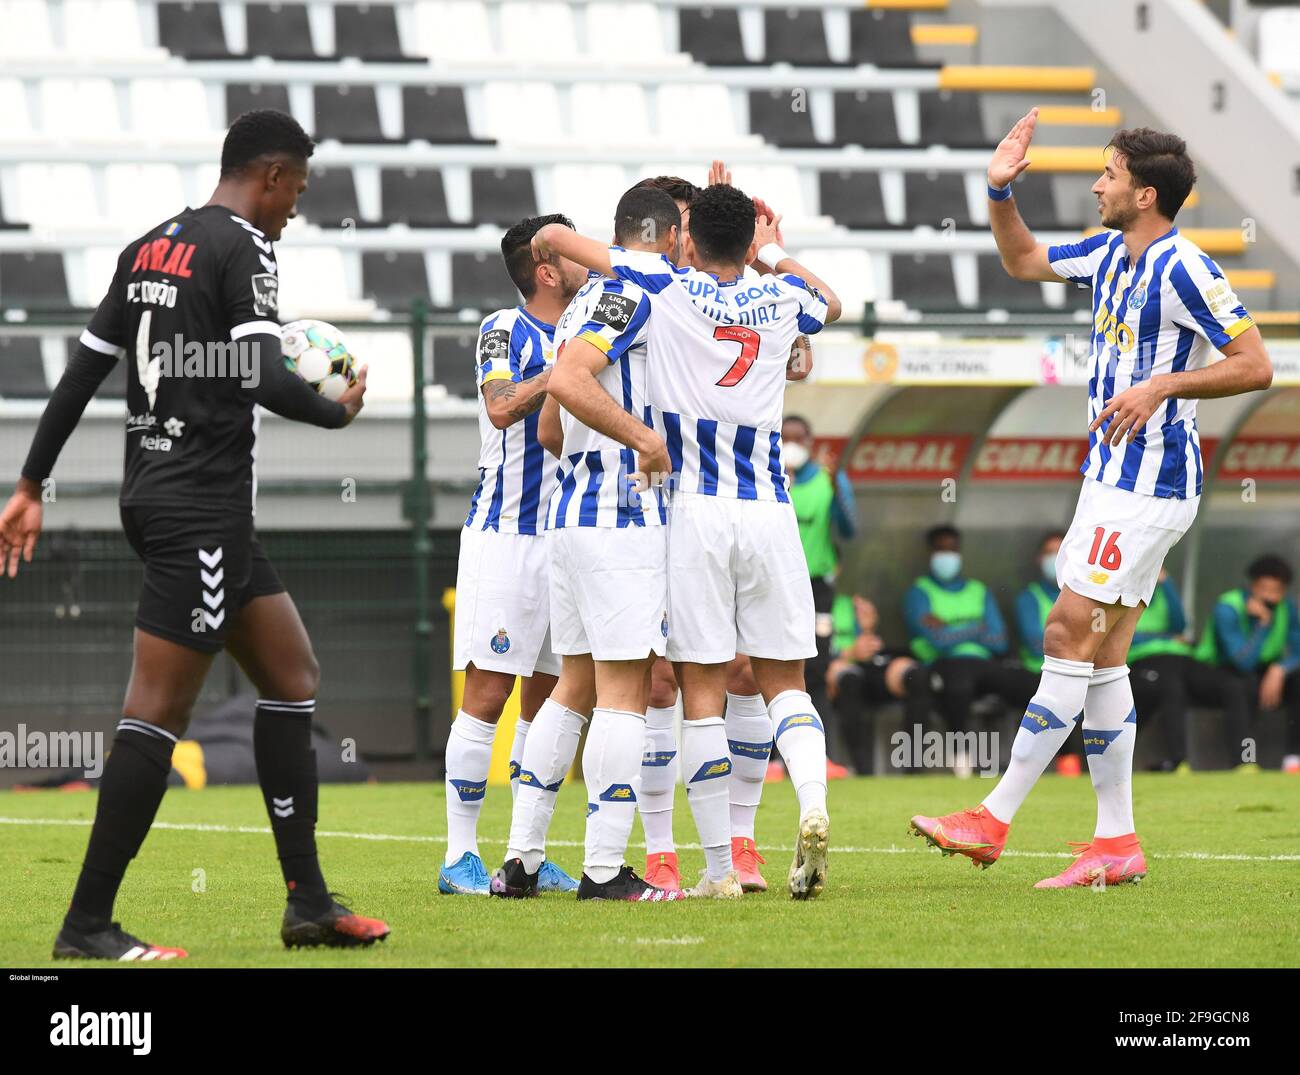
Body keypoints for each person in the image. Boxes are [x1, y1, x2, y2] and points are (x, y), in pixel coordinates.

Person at [0, 109, 388, 958]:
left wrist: (31, 481)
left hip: (165, 499)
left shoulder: (147, 247)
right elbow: (259, 371)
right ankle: (86, 925)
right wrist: (334, 412)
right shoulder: (244, 245)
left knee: (292, 675)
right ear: (274, 176)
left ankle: (309, 903)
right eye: (298, 190)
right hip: (200, 508)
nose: (295, 208)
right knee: (157, 710)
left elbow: (82, 371)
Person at [911, 117, 1273, 888]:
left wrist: (1163, 383)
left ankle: (994, 816)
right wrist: (1000, 187)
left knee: (1066, 628)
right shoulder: (1109, 251)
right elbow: (1021, 260)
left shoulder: (1187, 268)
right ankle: (1116, 842)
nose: (1096, 184)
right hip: (1110, 477)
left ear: (1146, 194)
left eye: (1108, 175)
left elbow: (1256, 363)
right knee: (1105, 655)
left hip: (1152, 482)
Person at [532, 181, 843, 899]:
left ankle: (716, 869)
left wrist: (577, 241)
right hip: (770, 508)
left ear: (689, 240)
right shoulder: (780, 300)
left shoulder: (666, 284)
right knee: (785, 683)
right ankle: (813, 804)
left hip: (694, 512)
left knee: (699, 689)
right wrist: (774, 254)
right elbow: (832, 303)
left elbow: (565, 242)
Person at [489, 185, 683, 902]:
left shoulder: (576, 310)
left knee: (571, 688)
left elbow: (546, 424)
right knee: (625, 694)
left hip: (568, 516)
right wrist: (642, 436)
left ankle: (521, 861)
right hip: (620, 515)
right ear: (662, 235)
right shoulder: (629, 294)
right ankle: (604, 868)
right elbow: (571, 381)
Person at [441, 213, 588, 896]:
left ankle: (522, 856)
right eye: (570, 242)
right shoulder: (505, 327)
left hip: (571, 538)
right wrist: (563, 376)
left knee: (550, 699)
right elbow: (501, 406)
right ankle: (457, 855)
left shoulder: (593, 327)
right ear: (547, 267)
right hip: (507, 533)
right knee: (489, 692)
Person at [903, 525, 1025, 749]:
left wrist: (950, 629)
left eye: (952, 549)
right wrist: (978, 627)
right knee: (958, 686)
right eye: (941, 549)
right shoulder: (919, 593)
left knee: (1027, 685)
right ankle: (961, 755)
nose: (946, 556)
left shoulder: (978, 590)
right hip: (943, 664)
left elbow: (1000, 642)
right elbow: (937, 642)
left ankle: (1034, 759)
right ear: (930, 554)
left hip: (984, 663)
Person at [783, 413, 857, 756]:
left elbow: (849, 529)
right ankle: (770, 759)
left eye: (797, 439)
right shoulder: (764, 476)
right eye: (785, 438)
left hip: (816, 589)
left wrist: (836, 487)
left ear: (810, 443)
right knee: (768, 666)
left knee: (817, 668)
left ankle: (821, 756)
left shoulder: (829, 480)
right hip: (775, 585)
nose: (791, 445)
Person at [1190, 554, 1300, 772]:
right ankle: (1245, 760)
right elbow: (1243, 661)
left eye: (1276, 590)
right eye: (1263, 588)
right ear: (1252, 586)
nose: (1269, 596)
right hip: (1218, 670)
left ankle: (1293, 759)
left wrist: (1280, 669)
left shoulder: (1288, 607)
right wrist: (1262, 625)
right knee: (1243, 685)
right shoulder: (1228, 607)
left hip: (1264, 669)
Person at [826, 594, 929, 774]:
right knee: (850, 680)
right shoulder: (806, 602)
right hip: (838, 673)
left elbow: (872, 649)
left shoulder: (850, 603)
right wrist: (850, 652)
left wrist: (868, 630)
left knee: (916, 675)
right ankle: (864, 771)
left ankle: (915, 768)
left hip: (872, 669)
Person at [1012, 531, 1083, 774]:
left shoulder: (1087, 595)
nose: (1054, 559)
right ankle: (1067, 765)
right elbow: (1035, 642)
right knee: (1062, 695)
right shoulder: (1029, 597)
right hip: (1039, 669)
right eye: (1049, 553)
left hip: (1083, 669)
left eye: (1059, 551)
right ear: (1039, 558)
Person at [1127, 569, 1196, 771]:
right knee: (1169, 688)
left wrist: (1167, 583)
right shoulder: (1120, 592)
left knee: (1232, 685)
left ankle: (1247, 762)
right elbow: (1124, 634)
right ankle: (1178, 760)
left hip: (1180, 659)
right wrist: (1164, 637)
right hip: (1140, 663)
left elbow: (1179, 625)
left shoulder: (1160, 591)